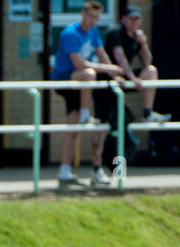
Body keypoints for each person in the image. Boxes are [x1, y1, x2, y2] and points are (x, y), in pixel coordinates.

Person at [52, 2, 124, 187]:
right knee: (89, 74)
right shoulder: (70, 33)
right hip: (66, 80)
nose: (94, 21)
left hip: (82, 84)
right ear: (83, 13)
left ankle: (64, 170)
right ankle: (85, 114)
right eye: (91, 17)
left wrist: (115, 74)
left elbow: (102, 54)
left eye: (97, 18)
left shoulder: (93, 32)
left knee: (72, 129)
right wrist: (108, 68)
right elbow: (79, 65)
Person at [101, 4, 170, 164]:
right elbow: (120, 58)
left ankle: (148, 113)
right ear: (123, 19)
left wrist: (143, 44)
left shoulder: (135, 37)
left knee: (151, 71)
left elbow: (147, 62)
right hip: (110, 84)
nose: (134, 23)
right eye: (131, 19)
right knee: (112, 128)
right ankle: (101, 167)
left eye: (137, 19)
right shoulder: (115, 33)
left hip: (123, 82)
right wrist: (132, 77)